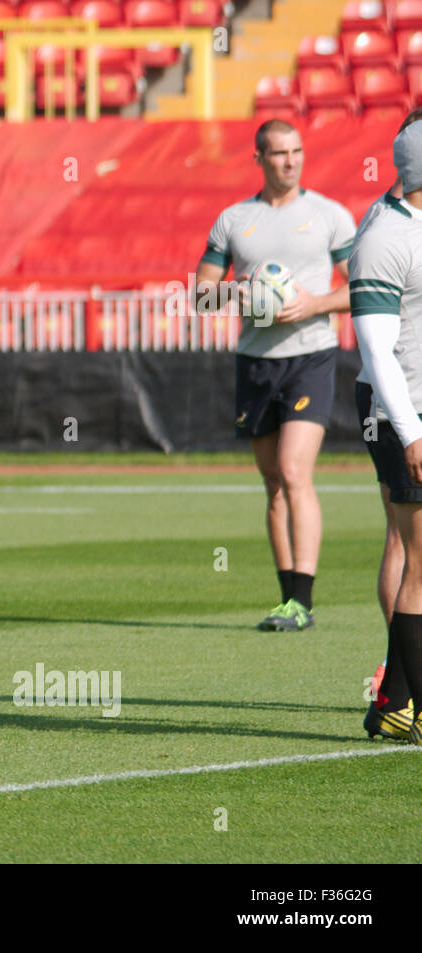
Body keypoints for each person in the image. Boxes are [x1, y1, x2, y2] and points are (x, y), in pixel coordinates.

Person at [194, 119, 356, 631]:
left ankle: (304, 599)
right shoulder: (234, 220)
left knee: (293, 470)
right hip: (255, 363)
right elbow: (200, 293)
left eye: (298, 151)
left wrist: (315, 303)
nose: (291, 161)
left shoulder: (329, 215)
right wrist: (232, 292)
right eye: (280, 153)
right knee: (273, 484)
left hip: (312, 357)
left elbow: (363, 289)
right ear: (259, 158)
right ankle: (288, 600)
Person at [350, 118, 422, 744]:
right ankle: (408, 704)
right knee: (415, 554)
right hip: (403, 412)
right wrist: (412, 432)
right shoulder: (385, 235)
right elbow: (377, 352)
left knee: (413, 552)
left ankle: (395, 698)